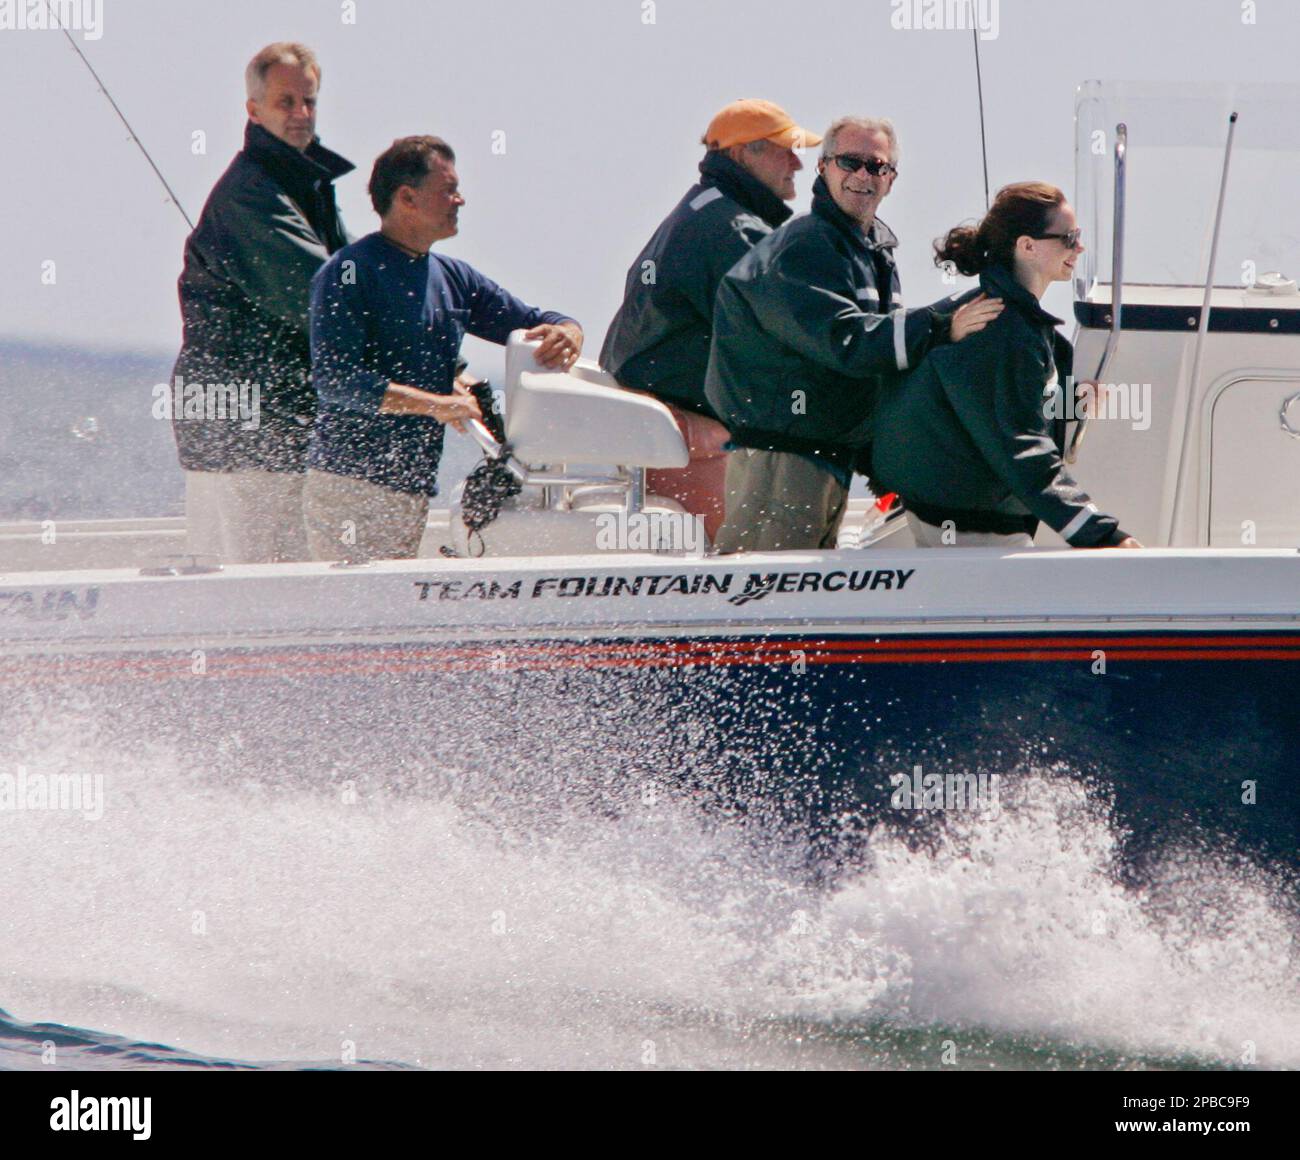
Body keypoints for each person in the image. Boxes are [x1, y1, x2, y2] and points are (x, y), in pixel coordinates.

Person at [705, 116, 1003, 552]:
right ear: (824, 167)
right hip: (782, 460)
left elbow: (881, 361)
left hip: (826, 459)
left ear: (891, 179)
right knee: (761, 601)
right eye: (850, 162)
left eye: (876, 166)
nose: (863, 175)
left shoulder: (868, 249)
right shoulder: (805, 246)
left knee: (803, 610)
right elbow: (848, 342)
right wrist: (944, 323)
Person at [304, 135, 583, 561]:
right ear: (407, 197)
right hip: (349, 488)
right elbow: (336, 382)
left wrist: (569, 330)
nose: (460, 200)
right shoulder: (347, 272)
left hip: (411, 488)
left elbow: (534, 320)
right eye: (448, 190)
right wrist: (438, 405)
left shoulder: (455, 277)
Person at [869, 182, 1141, 549]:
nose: (1079, 247)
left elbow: (985, 405)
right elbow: (1020, 444)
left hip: (947, 516)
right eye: (1069, 237)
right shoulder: (1003, 328)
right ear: (1027, 246)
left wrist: (1065, 402)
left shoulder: (992, 310)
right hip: (974, 530)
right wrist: (1101, 534)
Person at [600, 99, 821, 541]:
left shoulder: (706, 208)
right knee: (751, 564)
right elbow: (796, 333)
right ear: (744, 154)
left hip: (668, 418)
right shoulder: (733, 229)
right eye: (786, 149)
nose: (798, 162)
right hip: (689, 430)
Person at [171, 42, 354, 563]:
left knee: (272, 565)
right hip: (241, 420)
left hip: (275, 417)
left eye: (309, 102)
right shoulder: (251, 196)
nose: (300, 114)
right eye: (285, 102)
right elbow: (326, 298)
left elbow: (355, 275)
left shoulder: (306, 184)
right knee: (260, 576)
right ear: (254, 110)